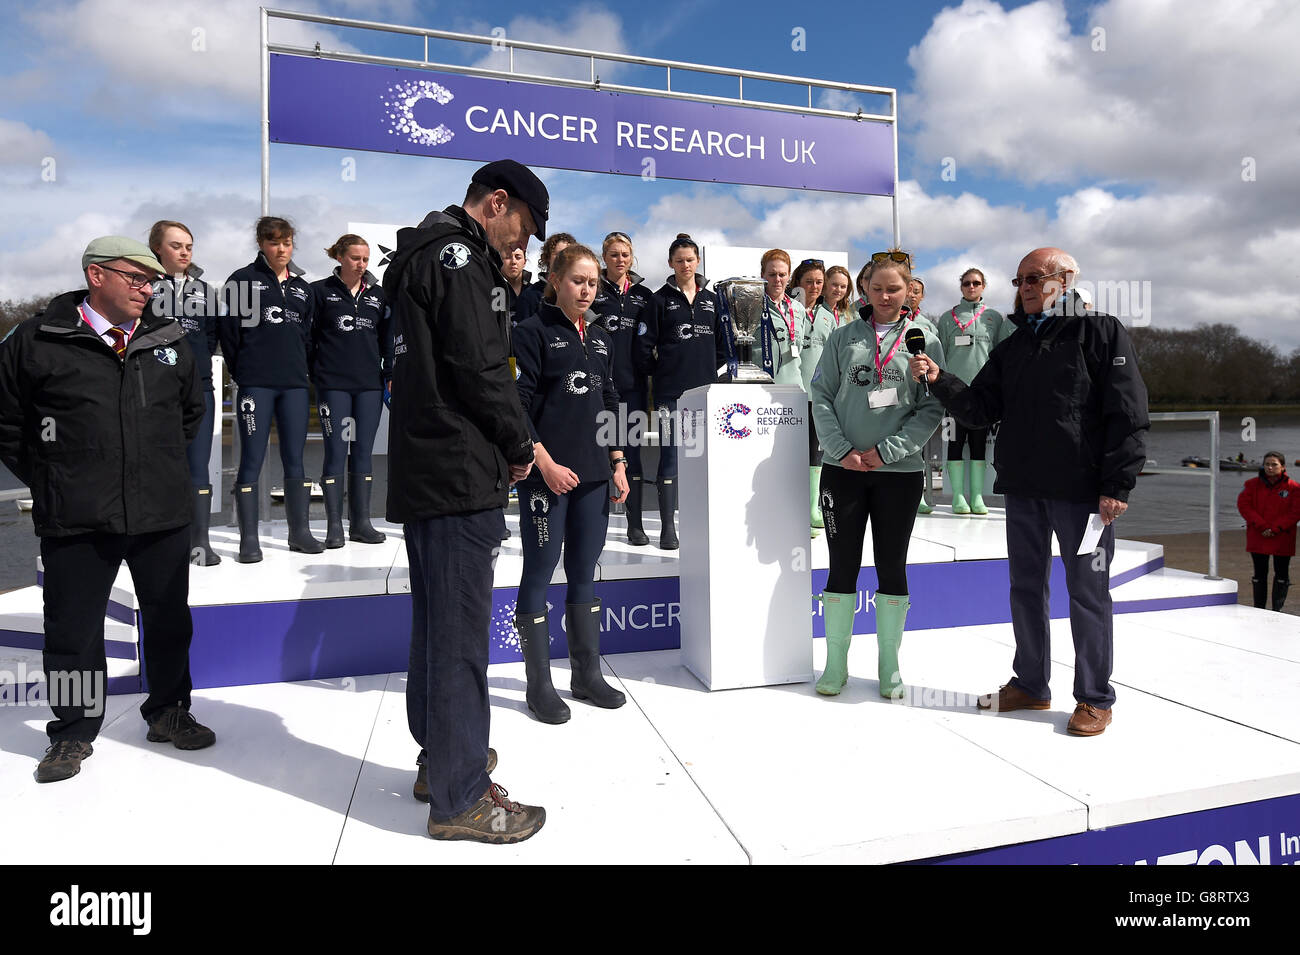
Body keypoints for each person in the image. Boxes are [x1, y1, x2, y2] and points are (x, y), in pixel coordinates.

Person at [0, 236, 214, 783]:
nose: (148, 288)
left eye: (152, 280)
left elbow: (190, 415)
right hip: (76, 514)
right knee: (72, 631)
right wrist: (55, 477)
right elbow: (7, 424)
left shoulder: (169, 338)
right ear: (97, 276)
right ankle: (72, 732)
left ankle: (169, 711)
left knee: (168, 620)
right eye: (136, 278)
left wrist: (155, 468)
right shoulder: (37, 338)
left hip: (161, 512)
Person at [911, 247, 1149, 736]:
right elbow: (979, 408)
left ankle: (1094, 698)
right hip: (1023, 490)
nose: (1025, 288)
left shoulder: (1101, 331)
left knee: (1087, 593)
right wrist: (940, 379)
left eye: (1035, 278)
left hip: (1083, 493)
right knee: (1024, 589)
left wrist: (1117, 483)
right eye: (1019, 280)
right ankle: (1032, 686)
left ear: (1065, 279)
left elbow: (1127, 413)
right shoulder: (1013, 346)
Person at [384, 158, 548, 842]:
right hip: (458, 471)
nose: (524, 246)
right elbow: (482, 371)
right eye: (525, 229)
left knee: (435, 630)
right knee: (458, 644)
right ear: (497, 202)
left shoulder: (422, 252)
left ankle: (439, 761)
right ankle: (460, 796)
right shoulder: (459, 258)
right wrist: (520, 448)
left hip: (429, 469)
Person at [809, 251, 944, 698]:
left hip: (898, 473)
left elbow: (931, 408)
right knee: (841, 565)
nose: (886, 296)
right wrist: (841, 448)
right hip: (842, 470)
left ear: (910, 291)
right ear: (864, 288)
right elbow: (821, 394)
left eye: (895, 289)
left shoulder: (925, 340)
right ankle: (835, 664)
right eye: (878, 288)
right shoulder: (843, 336)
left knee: (892, 564)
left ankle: (889, 666)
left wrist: (887, 452)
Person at [512, 244, 630, 723]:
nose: (587, 289)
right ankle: (538, 685)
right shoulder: (530, 332)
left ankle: (585, 676)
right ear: (556, 279)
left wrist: (619, 461)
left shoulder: (601, 337)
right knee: (539, 573)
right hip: (547, 479)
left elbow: (611, 398)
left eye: (594, 282)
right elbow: (515, 403)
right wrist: (544, 462)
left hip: (596, 476)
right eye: (578, 280)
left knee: (583, 572)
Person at [220, 216, 323, 562]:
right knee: (251, 460)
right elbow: (230, 334)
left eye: (288, 242)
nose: (282, 249)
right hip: (256, 384)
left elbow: (307, 338)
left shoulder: (302, 287)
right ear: (261, 244)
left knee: (295, 459)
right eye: (275, 242)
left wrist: (301, 370)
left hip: (294, 385)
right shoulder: (242, 280)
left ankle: (300, 533)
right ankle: (248, 540)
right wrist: (245, 371)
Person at [635, 234, 726, 549]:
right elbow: (643, 348)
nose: (685, 265)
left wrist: (707, 374)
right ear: (670, 264)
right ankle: (667, 528)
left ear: (697, 261)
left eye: (690, 259)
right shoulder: (658, 301)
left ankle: (703, 525)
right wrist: (664, 371)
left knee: (704, 459)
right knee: (671, 456)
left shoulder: (713, 301)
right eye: (679, 260)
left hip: (704, 396)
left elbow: (722, 349)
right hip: (669, 396)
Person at [146, 219, 223, 565]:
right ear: (157, 248)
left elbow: (209, 337)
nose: (184, 251)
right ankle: (155, 544)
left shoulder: (205, 290)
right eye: (176, 245)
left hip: (200, 390)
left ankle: (200, 542)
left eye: (189, 246)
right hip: (155, 391)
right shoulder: (144, 287)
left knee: (198, 466)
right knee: (156, 465)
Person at [310, 235, 392, 548]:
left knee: (361, 453)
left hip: (369, 387)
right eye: (355, 258)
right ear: (340, 258)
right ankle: (333, 526)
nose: (361, 265)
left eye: (365, 259)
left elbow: (387, 340)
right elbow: (309, 337)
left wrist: (388, 375)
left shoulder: (378, 295)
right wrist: (317, 371)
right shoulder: (320, 291)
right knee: (334, 453)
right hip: (333, 386)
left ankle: (361, 523)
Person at [591, 231, 653, 545]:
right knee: (599, 455)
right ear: (604, 257)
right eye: (613, 254)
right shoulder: (593, 289)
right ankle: (595, 524)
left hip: (633, 389)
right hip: (598, 388)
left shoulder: (644, 294)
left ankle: (635, 524)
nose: (620, 260)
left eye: (625, 255)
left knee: (633, 457)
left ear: (632, 258)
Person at [933, 268, 1005, 516]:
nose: (971, 287)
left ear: (983, 286)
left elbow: (1000, 356)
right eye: (966, 283)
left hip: (982, 393)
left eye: (976, 283)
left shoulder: (995, 318)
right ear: (961, 287)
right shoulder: (946, 318)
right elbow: (939, 356)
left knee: (978, 446)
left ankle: (976, 496)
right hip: (953, 393)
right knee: (954, 444)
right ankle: (958, 497)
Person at [797, 261, 848, 536]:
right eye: (810, 281)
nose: (815, 287)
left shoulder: (828, 315)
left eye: (819, 282)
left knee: (816, 451)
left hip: (820, 393)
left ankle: (813, 508)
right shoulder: (791, 309)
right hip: (792, 390)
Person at [1237, 451, 1299, 611]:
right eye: (1267, 464)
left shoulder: (1293, 487)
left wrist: (1276, 528)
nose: (1270, 467)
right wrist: (1263, 527)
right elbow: (1244, 506)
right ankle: (1259, 608)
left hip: (1283, 537)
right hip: (1259, 535)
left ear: (1283, 467)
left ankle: (1277, 610)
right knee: (1260, 573)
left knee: (1281, 573)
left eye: (1274, 464)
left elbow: (1296, 512)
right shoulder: (1251, 485)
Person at [904, 275, 941, 515]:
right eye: (909, 290)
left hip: (922, 392)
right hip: (898, 393)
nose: (913, 295)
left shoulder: (929, 327)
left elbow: (938, 360)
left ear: (922, 296)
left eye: (917, 291)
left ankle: (919, 496)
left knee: (919, 448)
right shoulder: (890, 322)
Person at [514, 232, 575, 325]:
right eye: (558, 254)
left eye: (569, 255)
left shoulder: (579, 295)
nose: (564, 258)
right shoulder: (531, 296)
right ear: (547, 258)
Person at [502, 246, 531, 326]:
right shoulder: (491, 290)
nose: (513, 261)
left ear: (525, 262)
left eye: (518, 257)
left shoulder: (535, 292)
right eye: (508, 257)